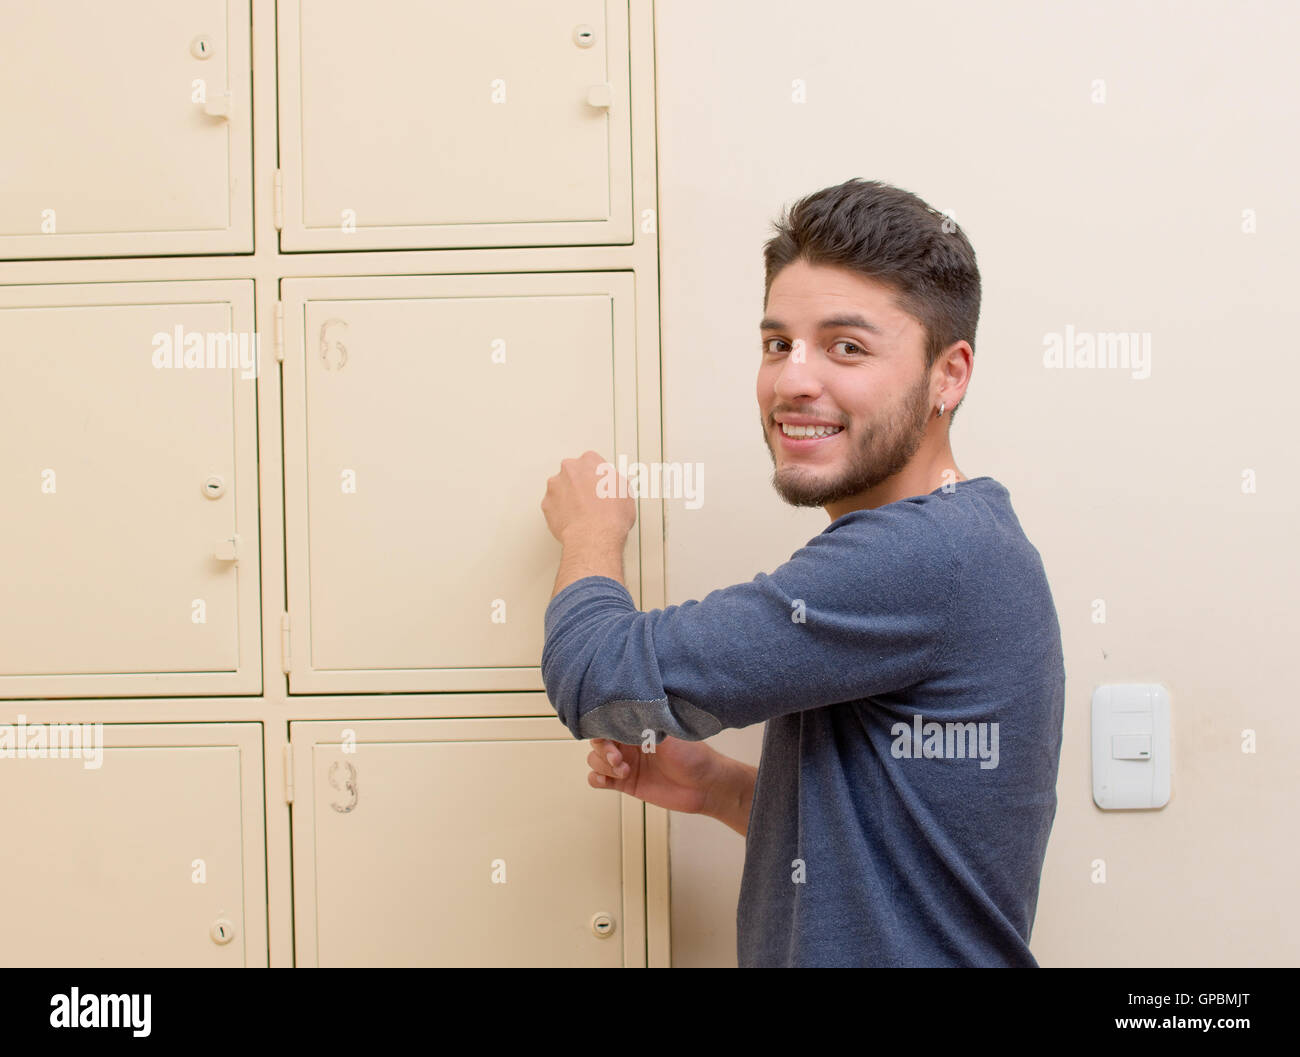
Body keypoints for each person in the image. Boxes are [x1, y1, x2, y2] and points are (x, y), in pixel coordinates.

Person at [540, 178, 1065, 968]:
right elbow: (905, 860)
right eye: (778, 343)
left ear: (948, 376)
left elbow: (596, 676)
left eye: (846, 346)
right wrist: (718, 787)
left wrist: (590, 534)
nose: (792, 380)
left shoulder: (919, 556)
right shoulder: (968, 539)